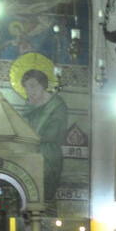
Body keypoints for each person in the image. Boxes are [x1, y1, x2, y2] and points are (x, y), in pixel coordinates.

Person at [18, 69, 69, 202]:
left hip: (48, 156)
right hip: (29, 156)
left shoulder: (57, 105)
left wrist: (30, 136)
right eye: (27, 88)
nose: (30, 91)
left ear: (43, 84)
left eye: (33, 86)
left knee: (43, 198)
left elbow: (53, 134)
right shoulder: (29, 106)